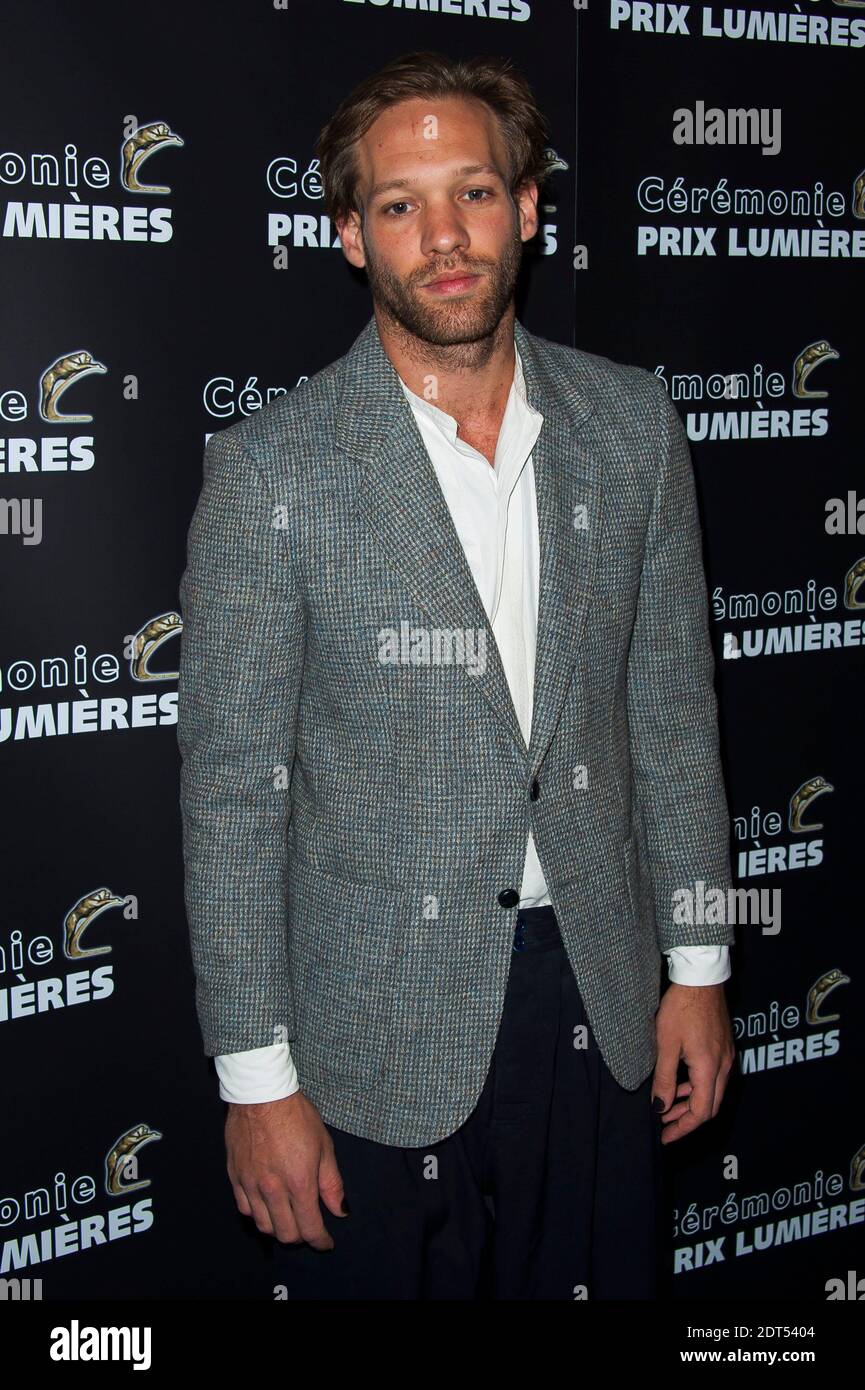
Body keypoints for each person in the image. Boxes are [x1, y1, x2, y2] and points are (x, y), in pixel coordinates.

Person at [176, 49, 736, 1301]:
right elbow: (231, 797)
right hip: (373, 1030)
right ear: (348, 236)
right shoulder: (272, 470)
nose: (443, 235)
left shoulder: (632, 426)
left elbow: (670, 719)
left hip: (596, 1000)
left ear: (529, 208)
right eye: (397, 203)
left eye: (474, 192)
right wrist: (258, 1084)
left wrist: (697, 969)